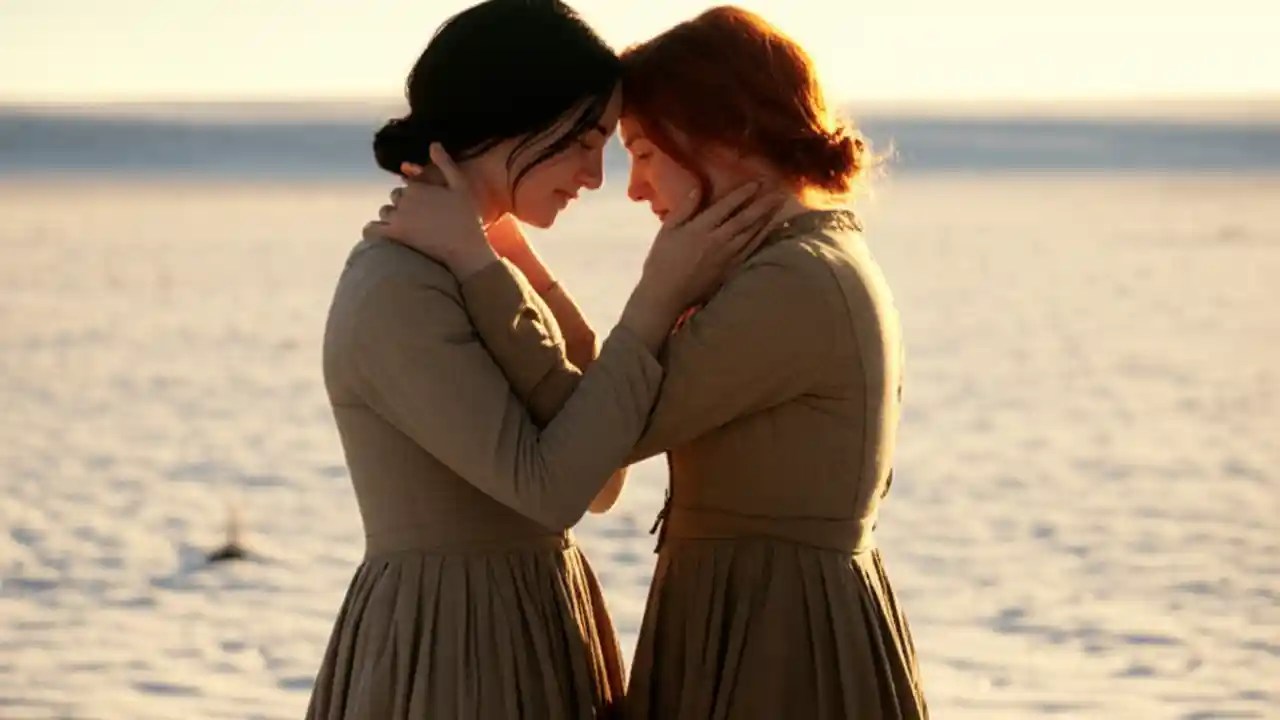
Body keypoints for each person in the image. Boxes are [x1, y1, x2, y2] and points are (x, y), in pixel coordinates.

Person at [381, 6, 929, 719]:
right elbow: (607, 404)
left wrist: (479, 264)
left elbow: (594, 437)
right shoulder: (791, 260)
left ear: (722, 133)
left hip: (777, 639)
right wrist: (513, 258)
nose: (635, 188)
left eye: (641, 152)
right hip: (752, 615)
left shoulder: (793, 283)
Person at [307, 2, 781, 717]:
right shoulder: (398, 288)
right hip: (451, 647)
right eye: (585, 142)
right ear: (511, 120)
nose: (595, 176)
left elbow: (601, 479)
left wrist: (517, 268)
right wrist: (656, 301)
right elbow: (553, 489)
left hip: (529, 623)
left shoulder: (473, 270)